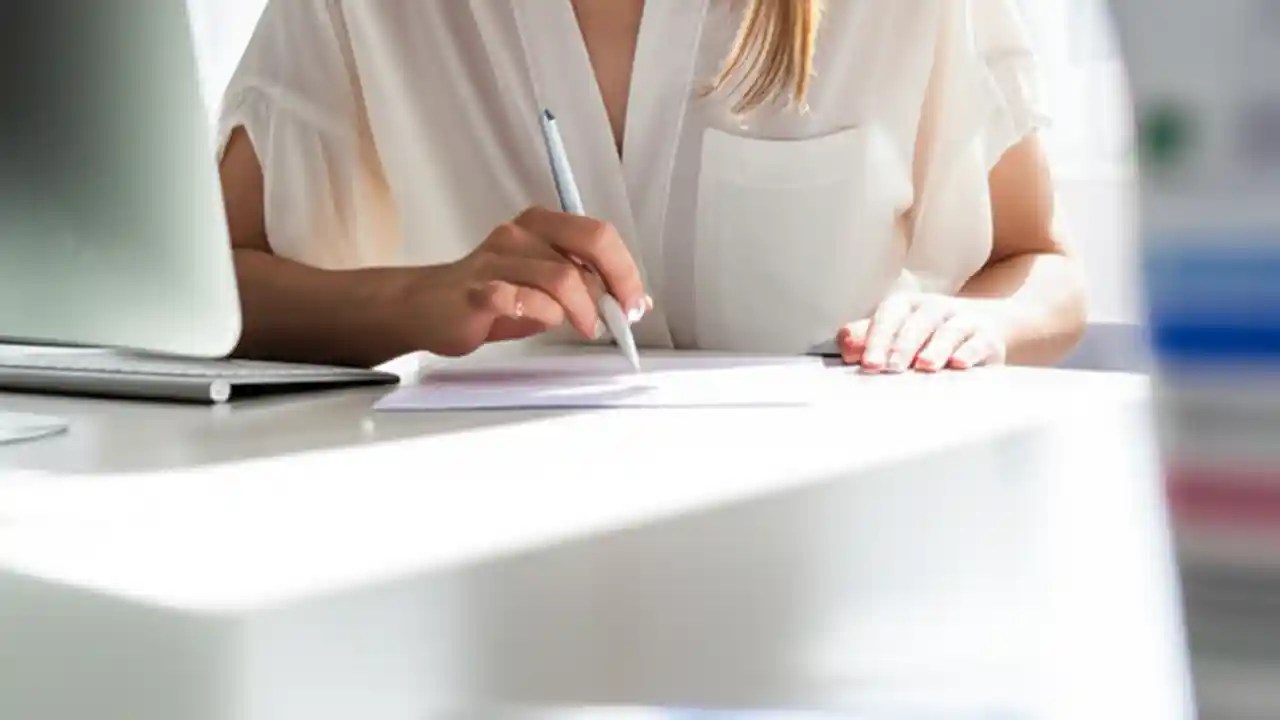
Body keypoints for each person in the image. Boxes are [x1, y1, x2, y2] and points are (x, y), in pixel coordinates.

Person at [217, 0, 1086, 373]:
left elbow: (1042, 262)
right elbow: (211, 290)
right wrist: (421, 302)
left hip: (823, 558)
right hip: (493, 565)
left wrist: (980, 322)